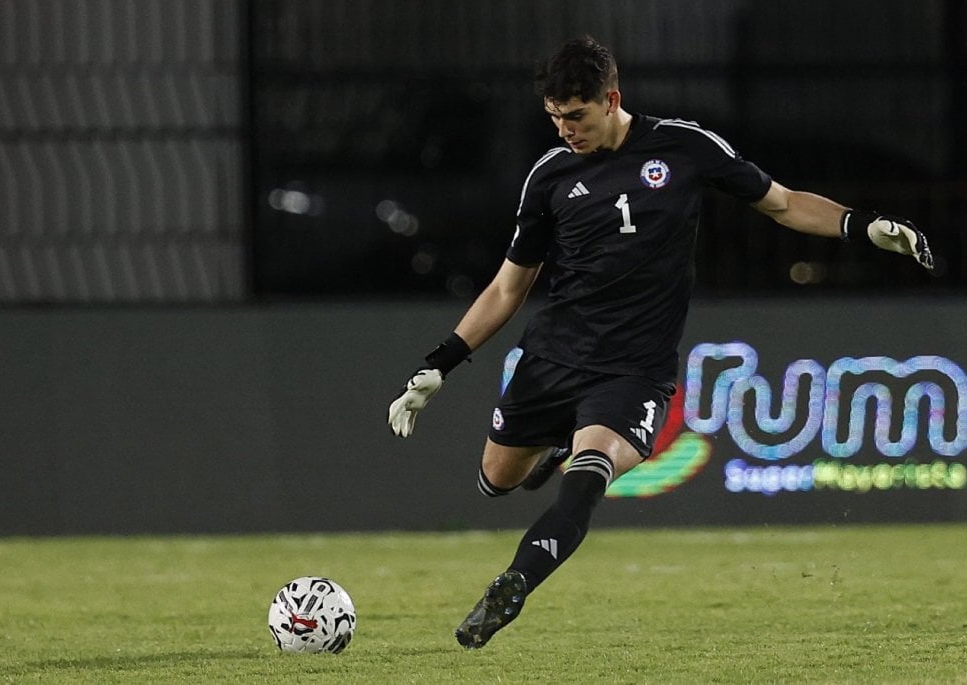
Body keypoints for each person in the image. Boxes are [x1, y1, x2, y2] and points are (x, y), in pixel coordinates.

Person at [387, 35, 934, 650]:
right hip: (552, 356)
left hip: (634, 372)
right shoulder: (549, 177)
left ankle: (515, 583)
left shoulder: (685, 146)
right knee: (495, 481)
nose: (566, 130)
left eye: (577, 116)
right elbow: (508, 288)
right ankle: (558, 442)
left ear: (612, 98)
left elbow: (781, 204)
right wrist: (441, 364)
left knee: (588, 478)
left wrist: (860, 225)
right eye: (555, 118)